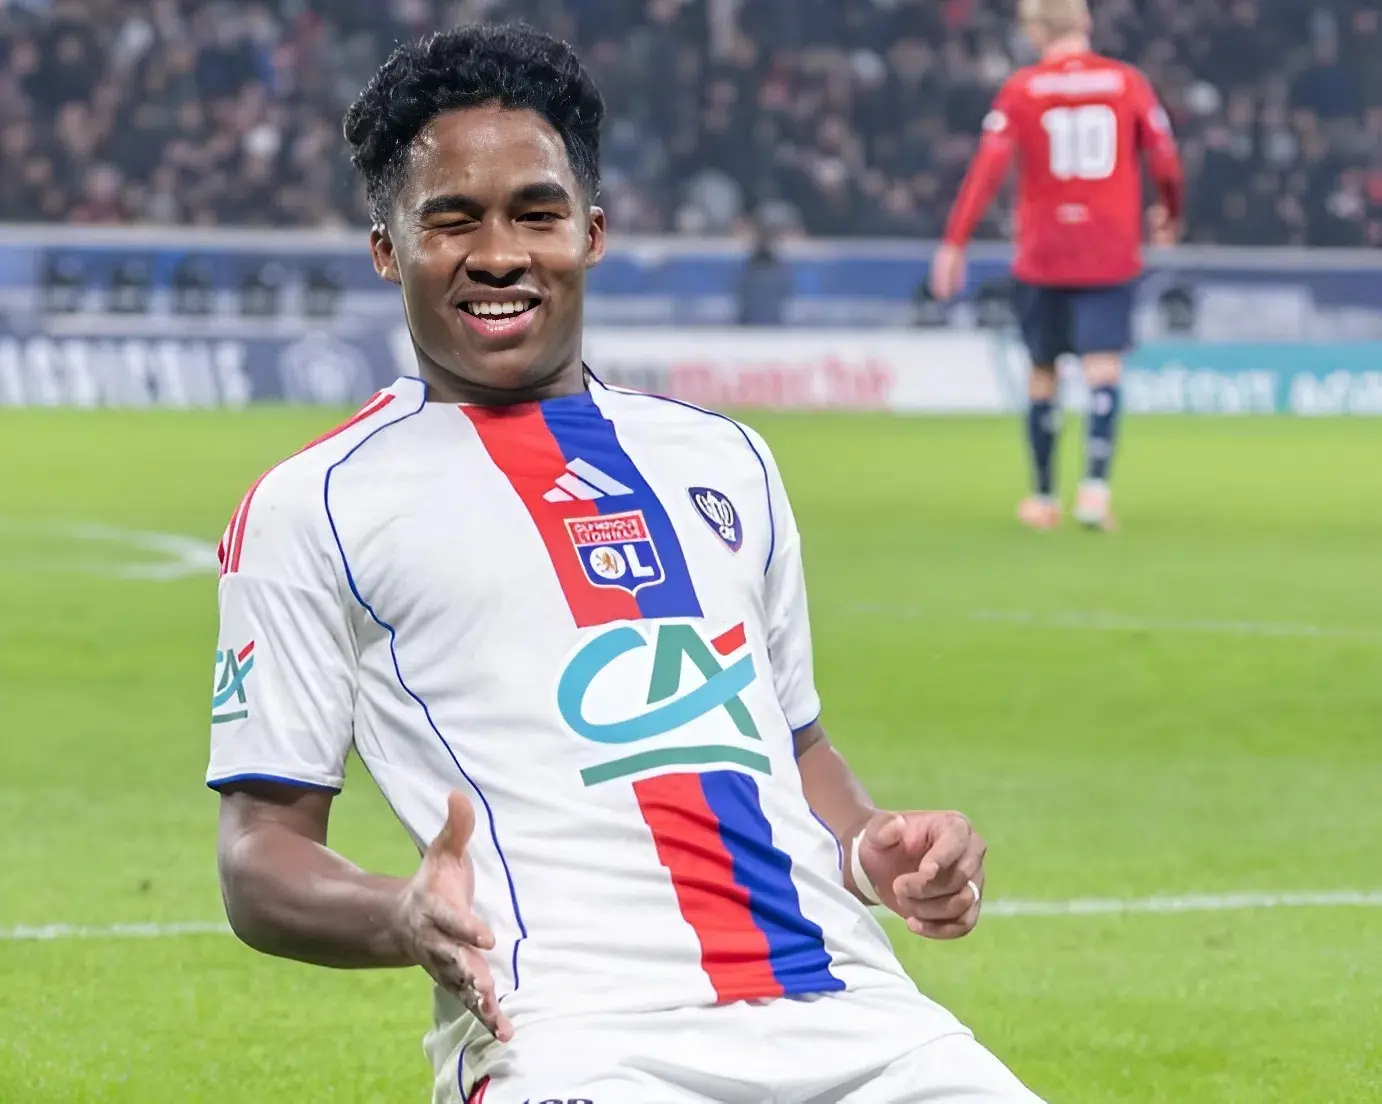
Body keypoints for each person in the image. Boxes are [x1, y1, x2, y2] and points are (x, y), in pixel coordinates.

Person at [207, 24, 1043, 1104]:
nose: (499, 254)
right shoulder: (315, 504)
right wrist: (399, 915)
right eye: (451, 221)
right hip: (572, 1036)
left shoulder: (726, 459)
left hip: (856, 1014)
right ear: (386, 249)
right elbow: (259, 857)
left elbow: (792, 744)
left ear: (590, 233)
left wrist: (868, 846)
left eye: (536, 214)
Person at [930, 0, 1183, 532]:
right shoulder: (1126, 82)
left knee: (1043, 371)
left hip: (1043, 251)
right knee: (1102, 367)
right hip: (1109, 248)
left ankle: (1044, 498)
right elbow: (1164, 155)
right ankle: (1094, 492)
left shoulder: (1023, 89)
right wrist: (1169, 210)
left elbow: (987, 168)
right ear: (1085, 21)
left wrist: (955, 242)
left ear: (1034, 31)